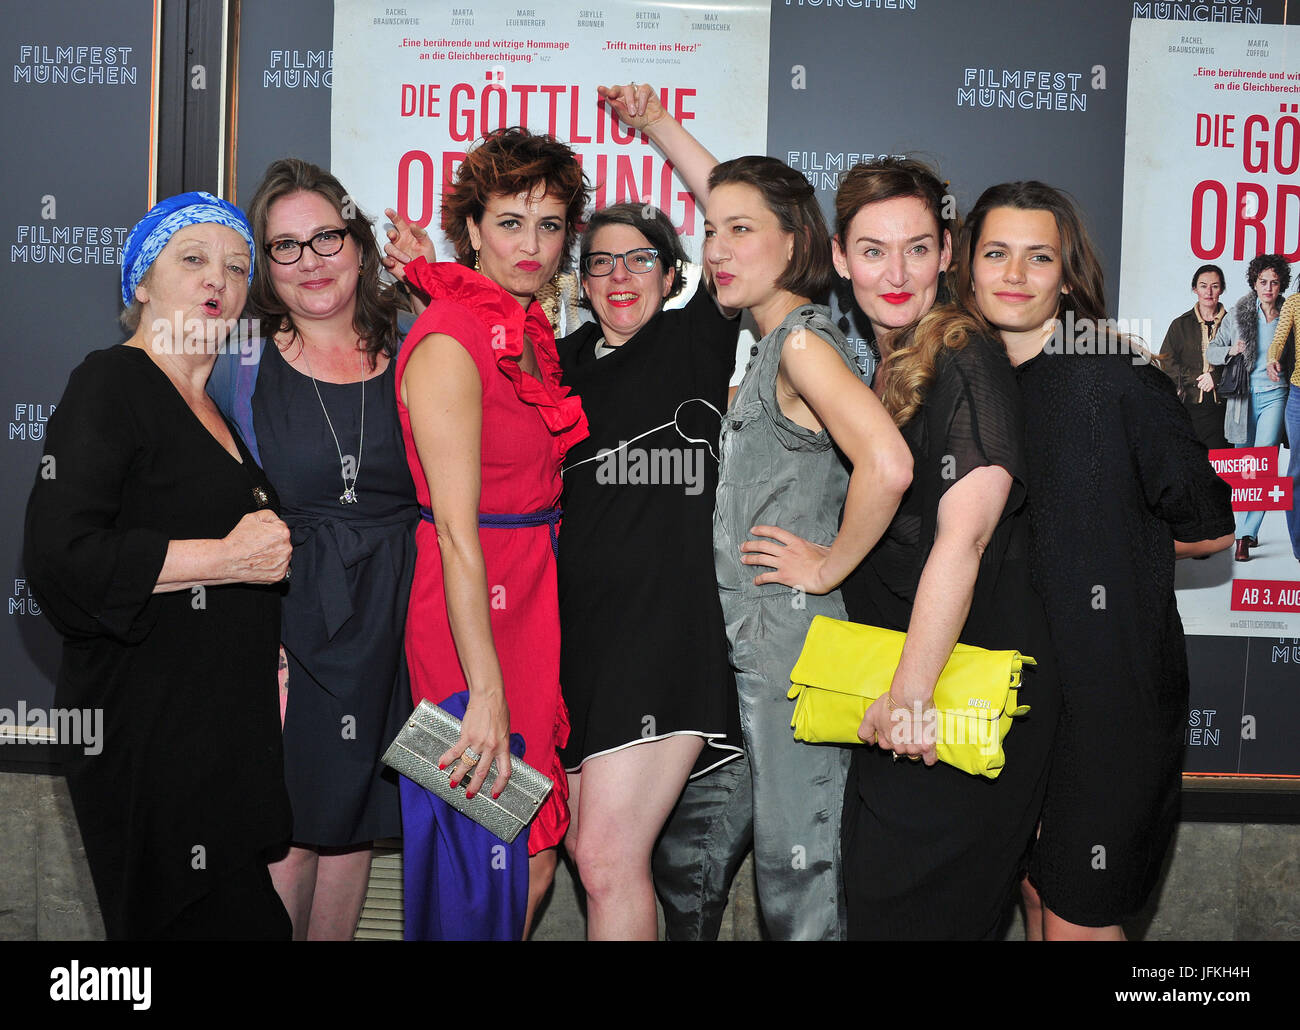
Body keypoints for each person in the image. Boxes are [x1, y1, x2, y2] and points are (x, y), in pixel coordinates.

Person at [955, 182, 1234, 940]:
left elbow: (1209, 529)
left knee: (1078, 918)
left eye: (1038, 256)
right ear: (968, 269)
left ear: (1068, 275)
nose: (1015, 273)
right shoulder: (968, 384)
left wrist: (1107, 541)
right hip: (1013, 694)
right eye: (997, 253)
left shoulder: (1116, 377)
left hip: (1110, 699)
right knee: (1040, 899)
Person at [23, 192, 294, 940]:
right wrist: (230, 558)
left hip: (223, 744)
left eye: (238, 267)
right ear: (142, 282)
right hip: (150, 738)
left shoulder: (216, 410)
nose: (220, 280)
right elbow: (60, 560)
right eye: (194, 260)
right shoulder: (111, 382)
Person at [207, 159, 417, 940]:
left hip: (402, 621)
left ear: (359, 244)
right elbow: (211, 507)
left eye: (326, 237)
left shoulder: (420, 343)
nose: (311, 261)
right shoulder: (239, 363)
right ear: (266, 265)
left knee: (352, 820)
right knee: (288, 829)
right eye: (286, 246)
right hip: (296, 626)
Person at [393, 127, 591, 940]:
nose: (532, 246)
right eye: (510, 222)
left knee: (533, 850)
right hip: (470, 607)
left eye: (549, 226)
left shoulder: (515, 326)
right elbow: (454, 535)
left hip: (530, 598)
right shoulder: (451, 338)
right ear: (472, 228)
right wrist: (483, 690)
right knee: (477, 860)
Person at [555, 201, 742, 940]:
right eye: (600, 261)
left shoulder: (693, 339)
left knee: (605, 858)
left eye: (640, 259)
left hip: (664, 639)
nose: (619, 275)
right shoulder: (558, 362)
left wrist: (658, 124)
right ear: (581, 282)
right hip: (574, 643)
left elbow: (737, 213)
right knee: (582, 851)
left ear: (671, 275)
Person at [1207, 254, 1291, 561]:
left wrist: (1285, 364)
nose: (1268, 288)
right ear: (1254, 283)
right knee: (1246, 468)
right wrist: (1232, 349)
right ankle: (1244, 526)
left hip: (1275, 394)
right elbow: (1213, 352)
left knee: (1264, 460)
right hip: (1243, 398)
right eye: (1262, 282)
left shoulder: (1290, 313)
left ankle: (1244, 534)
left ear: (1282, 285)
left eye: (1274, 282)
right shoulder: (1240, 313)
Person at [1156, 264, 1229, 450]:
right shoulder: (1180, 325)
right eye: (1203, 286)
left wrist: (1216, 377)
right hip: (1188, 405)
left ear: (1221, 289)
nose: (1209, 292)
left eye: (1215, 286)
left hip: (1223, 408)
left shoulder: (1233, 323)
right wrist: (1196, 378)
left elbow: (1243, 362)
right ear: (1195, 289)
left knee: (1219, 468)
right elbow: (1165, 361)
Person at [1266, 289, 1300, 562]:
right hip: (1299, 397)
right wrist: (1272, 358)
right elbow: (1279, 339)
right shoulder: (1295, 302)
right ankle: (1299, 549)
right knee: (1297, 472)